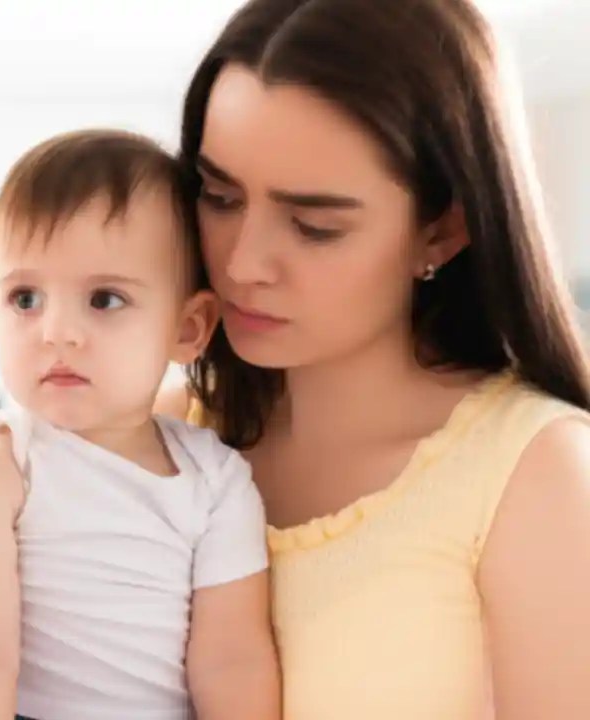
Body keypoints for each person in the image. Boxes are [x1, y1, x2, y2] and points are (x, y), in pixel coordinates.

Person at [154, 0, 590, 718]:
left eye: (314, 226)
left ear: (442, 231)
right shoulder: (168, 434)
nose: (244, 262)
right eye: (220, 196)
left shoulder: (534, 474)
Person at [0, 130, 281, 720]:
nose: (55, 331)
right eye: (25, 298)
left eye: (105, 300)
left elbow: (232, 662)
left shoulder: (215, 480)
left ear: (188, 329)